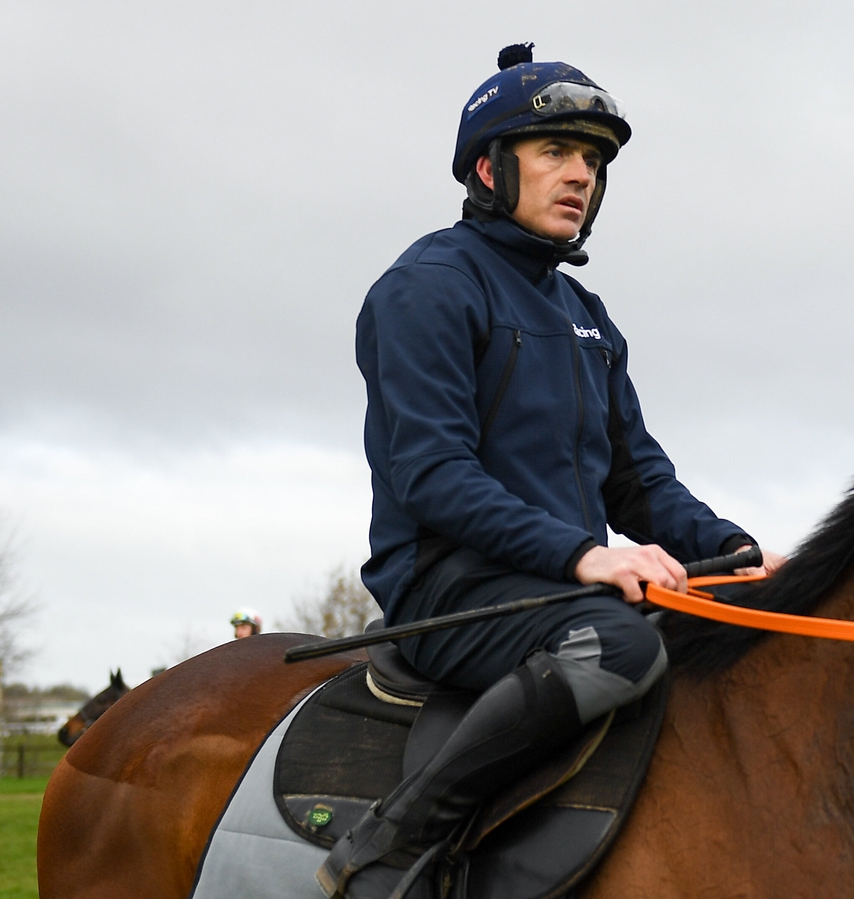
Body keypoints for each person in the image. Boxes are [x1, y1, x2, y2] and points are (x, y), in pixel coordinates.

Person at [317, 43, 784, 899]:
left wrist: (736, 549)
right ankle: (392, 846)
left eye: (594, 160)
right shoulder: (425, 288)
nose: (582, 176)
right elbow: (433, 475)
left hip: (559, 583)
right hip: (447, 588)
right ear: (490, 170)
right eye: (557, 152)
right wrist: (587, 556)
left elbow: (638, 482)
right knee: (615, 639)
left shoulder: (587, 316)